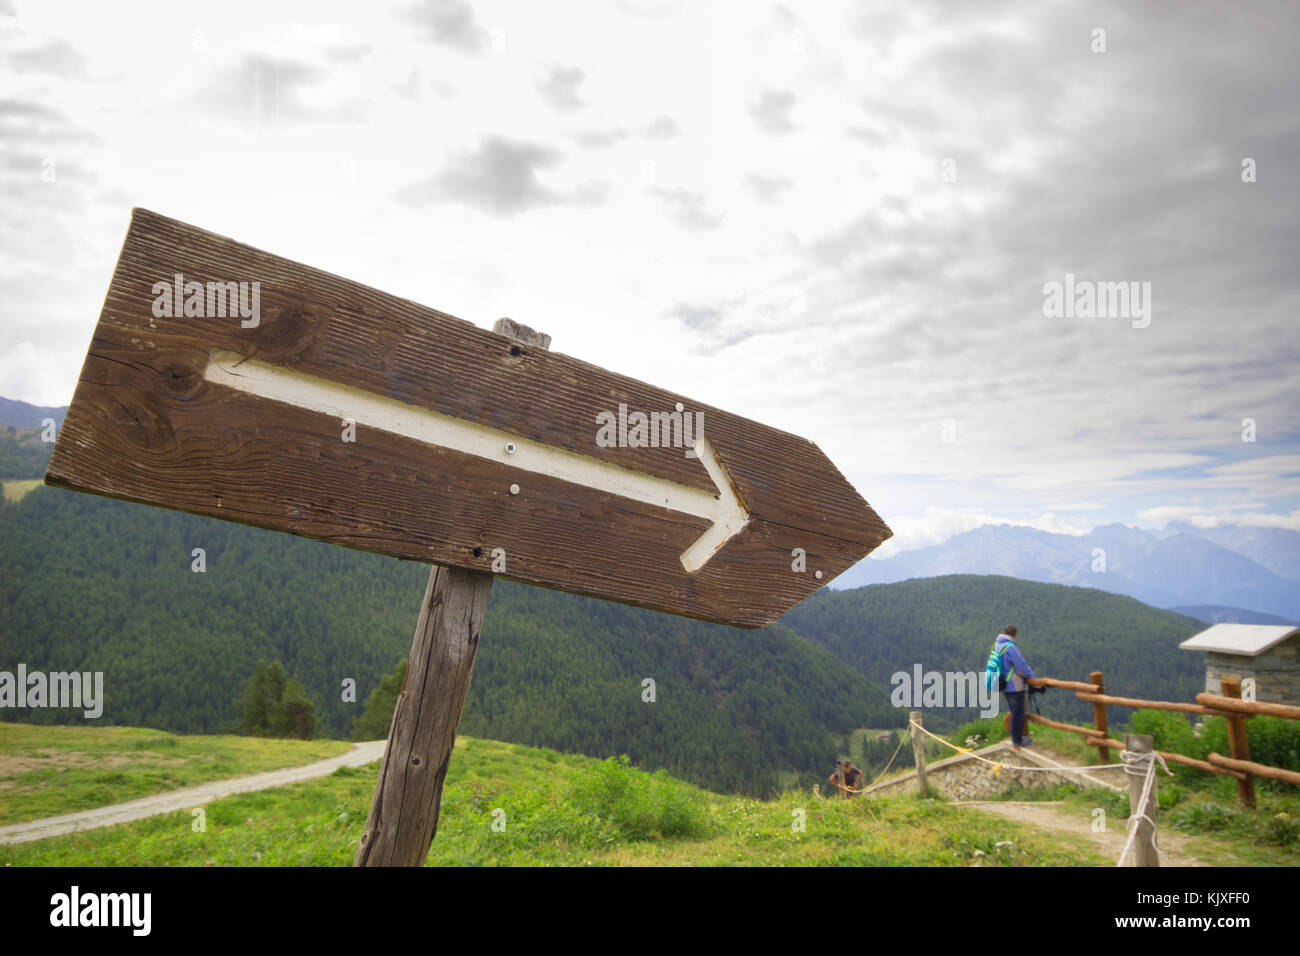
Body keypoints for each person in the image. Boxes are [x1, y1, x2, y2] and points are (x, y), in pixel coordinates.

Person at [987, 625, 1038, 750]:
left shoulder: (996, 645)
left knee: (1014, 711)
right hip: (1015, 685)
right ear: (1014, 635)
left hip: (1003, 683)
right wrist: (1034, 679)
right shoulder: (1010, 648)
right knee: (1018, 714)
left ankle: (1016, 739)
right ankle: (1017, 741)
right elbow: (1021, 666)